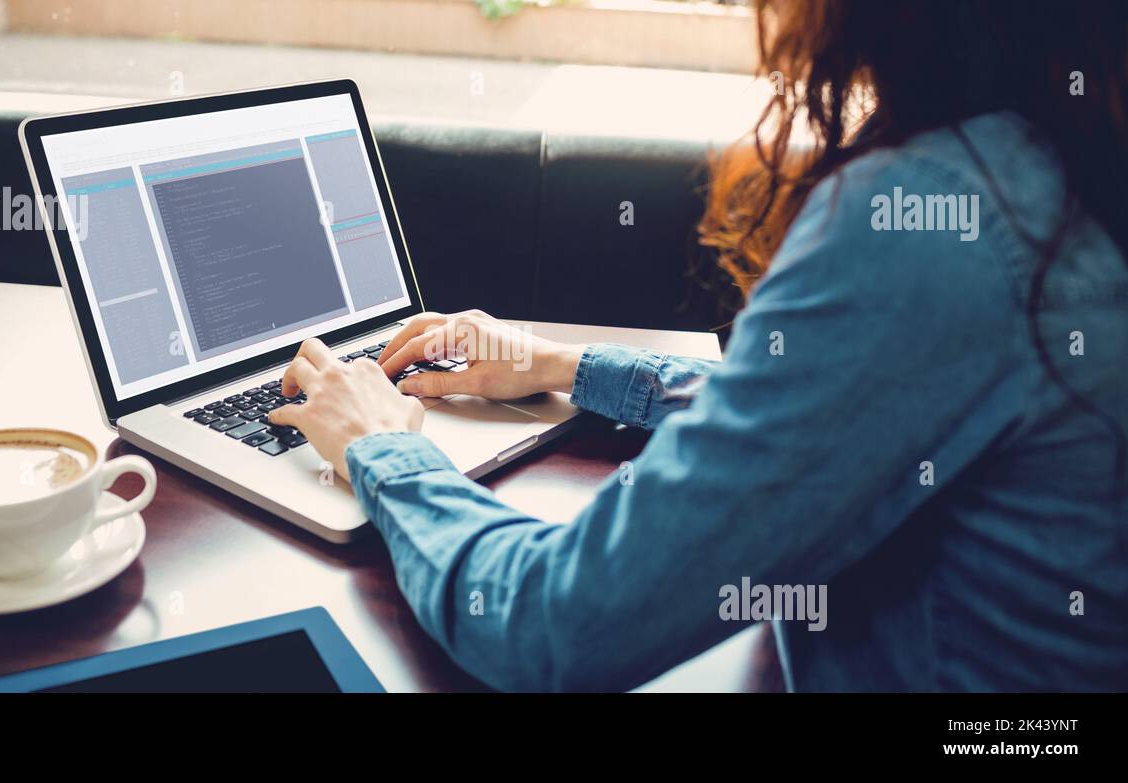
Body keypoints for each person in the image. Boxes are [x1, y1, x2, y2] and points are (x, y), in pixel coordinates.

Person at [268, 0, 1128, 691]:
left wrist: (382, 449)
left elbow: (549, 626)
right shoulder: (1070, 158)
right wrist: (565, 366)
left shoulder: (933, 218)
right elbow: (846, 410)